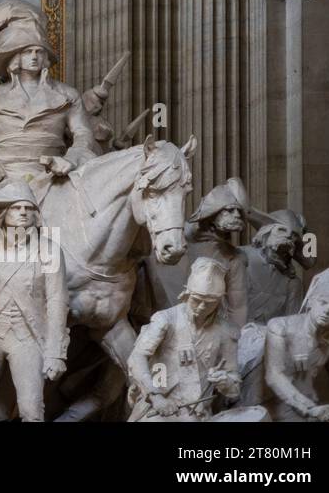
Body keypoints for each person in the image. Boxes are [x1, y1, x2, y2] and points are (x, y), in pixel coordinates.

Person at [0, 1, 95, 202]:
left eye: (38, 51)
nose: (34, 57)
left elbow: (84, 133)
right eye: (27, 51)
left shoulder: (68, 95)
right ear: (14, 55)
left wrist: (71, 159)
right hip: (5, 182)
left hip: (54, 180)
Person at [0, 179, 68, 422]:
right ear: (4, 212)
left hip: (28, 335)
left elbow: (57, 301)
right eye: (16, 207)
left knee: (32, 411)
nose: (23, 212)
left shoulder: (50, 250)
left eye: (29, 208)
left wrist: (55, 352)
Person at [127, 258, 248, 421]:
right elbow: (137, 358)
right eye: (197, 300)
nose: (202, 307)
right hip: (158, 405)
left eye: (209, 303)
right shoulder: (166, 320)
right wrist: (155, 396)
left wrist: (225, 381)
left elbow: (234, 389)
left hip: (196, 412)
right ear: (187, 294)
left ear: (219, 301)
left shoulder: (226, 331)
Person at [261, 268, 329, 421]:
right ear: (311, 300)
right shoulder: (280, 327)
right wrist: (309, 408)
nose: (327, 311)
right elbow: (274, 376)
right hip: (274, 411)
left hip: (310, 412)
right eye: (323, 302)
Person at [184, 178, 251, 327]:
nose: (237, 215)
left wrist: (236, 335)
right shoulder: (181, 240)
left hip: (210, 326)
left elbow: (238, 306)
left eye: (239, 212)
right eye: (230, 210)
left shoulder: (235, 258)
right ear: (213, 212)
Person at [242, 209, 314, 324]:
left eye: (293, 236)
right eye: (281, 230)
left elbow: (291, 324)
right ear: (266, 232)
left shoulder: (292, 284)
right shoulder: (240, 256)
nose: (288, 236)